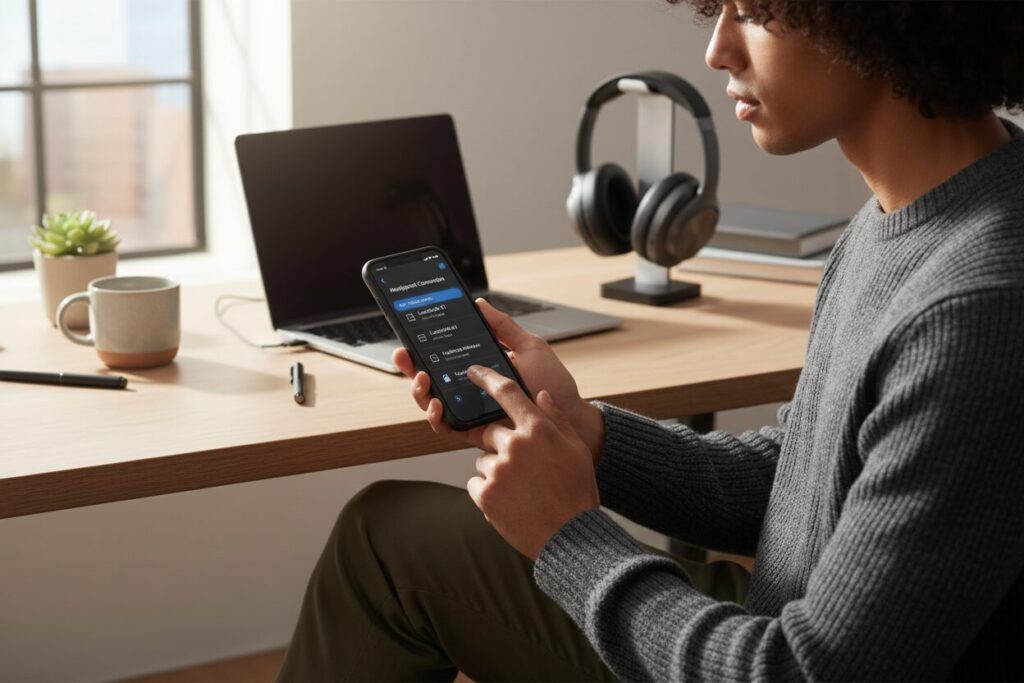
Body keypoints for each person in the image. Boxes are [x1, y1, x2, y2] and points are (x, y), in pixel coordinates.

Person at [279, 1, 1024, 680]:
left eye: (753, 11)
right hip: (787, 618)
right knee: (388, 535)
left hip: (781, 659)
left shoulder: (976, 310)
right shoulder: (904, 216)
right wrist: (585, 430)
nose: (718, 50)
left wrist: (568, 536)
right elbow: (805, 480)